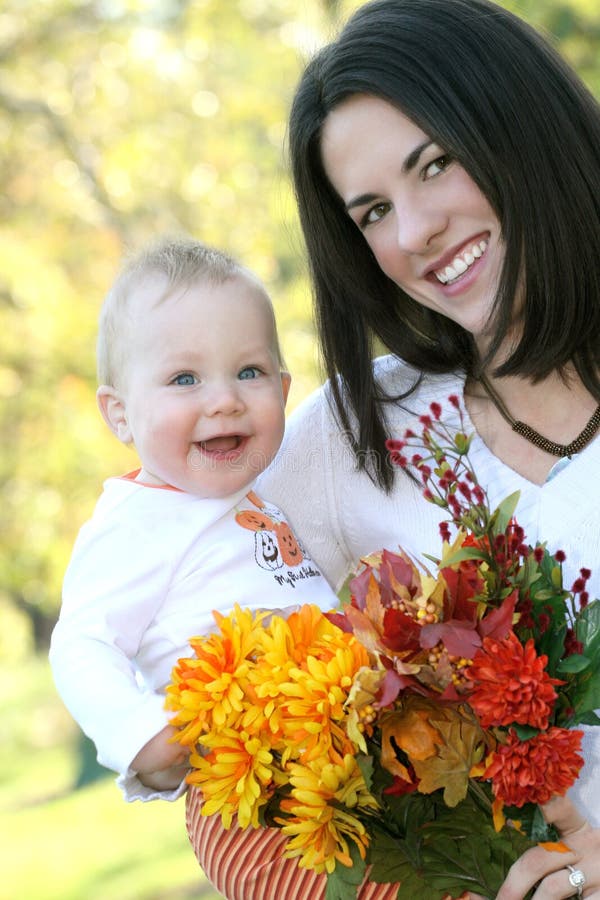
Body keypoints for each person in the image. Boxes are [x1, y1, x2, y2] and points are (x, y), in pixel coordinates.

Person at [186, 0, 600, 898]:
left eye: (437, 164)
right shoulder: (351, 440)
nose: (412, 234)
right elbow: (222, 750)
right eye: (372, 210)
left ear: (523, 125)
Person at [49, 236, 338, 802]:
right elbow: (82, 642)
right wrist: (142, 735)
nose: (225, 399)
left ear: (283, 391)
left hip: (327, 757)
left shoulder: (261, 498)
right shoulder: (136, 523)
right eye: (185, 379)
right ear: (121, 415)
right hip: (249, 789)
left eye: (250, 372)